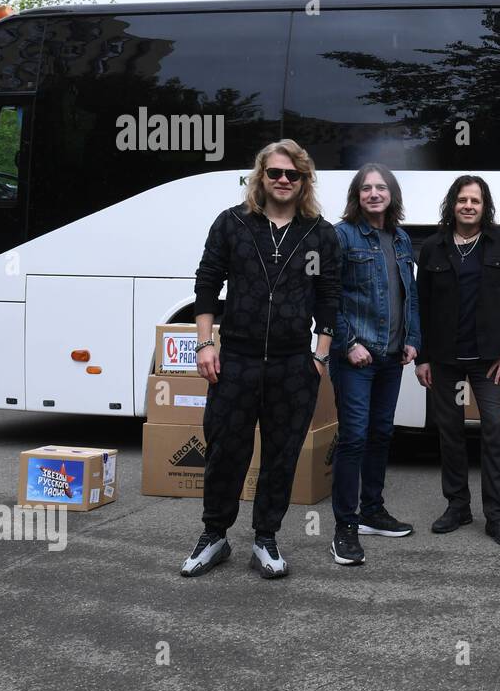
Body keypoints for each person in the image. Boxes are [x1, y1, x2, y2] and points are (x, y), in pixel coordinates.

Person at [181, 140, 341, 579]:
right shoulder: (232, 224)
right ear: (261, 176)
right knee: (225, 450)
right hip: (237, 360)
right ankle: (214, 536)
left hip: (294, 365)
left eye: (293, 174)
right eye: (275, 173)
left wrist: (320, 356)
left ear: (305, 180)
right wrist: (204, 343)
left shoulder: (320, 234)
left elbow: (329, 298)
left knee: (281, 455)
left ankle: (266, 539)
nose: (284, 181)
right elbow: (207, 283)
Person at [415, 176, 500, 547]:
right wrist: (424, 357)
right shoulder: (433, 247)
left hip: (490, 360)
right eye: (462, 199)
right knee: (450, 434)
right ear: (452, 204)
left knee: (494, 432)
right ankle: (457, 506)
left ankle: (497, 517)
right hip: (445, 360)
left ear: (485, 206)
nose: (468, 206)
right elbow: (422, 306)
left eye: (475, 201)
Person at [328, 164, 422, 566]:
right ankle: (344, 528)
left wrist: (413, 339)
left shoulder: (401, 238)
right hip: (355, 357)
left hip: (390, 356)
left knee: (381, 433)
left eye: (380, 187)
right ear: (357, 195)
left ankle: (372, 511)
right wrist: (348, 343)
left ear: (391, 195)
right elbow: (327, 296)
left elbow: (410, 295)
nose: (373, 193)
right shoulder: (341, 235)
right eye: (365, 188)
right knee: (353, 437)